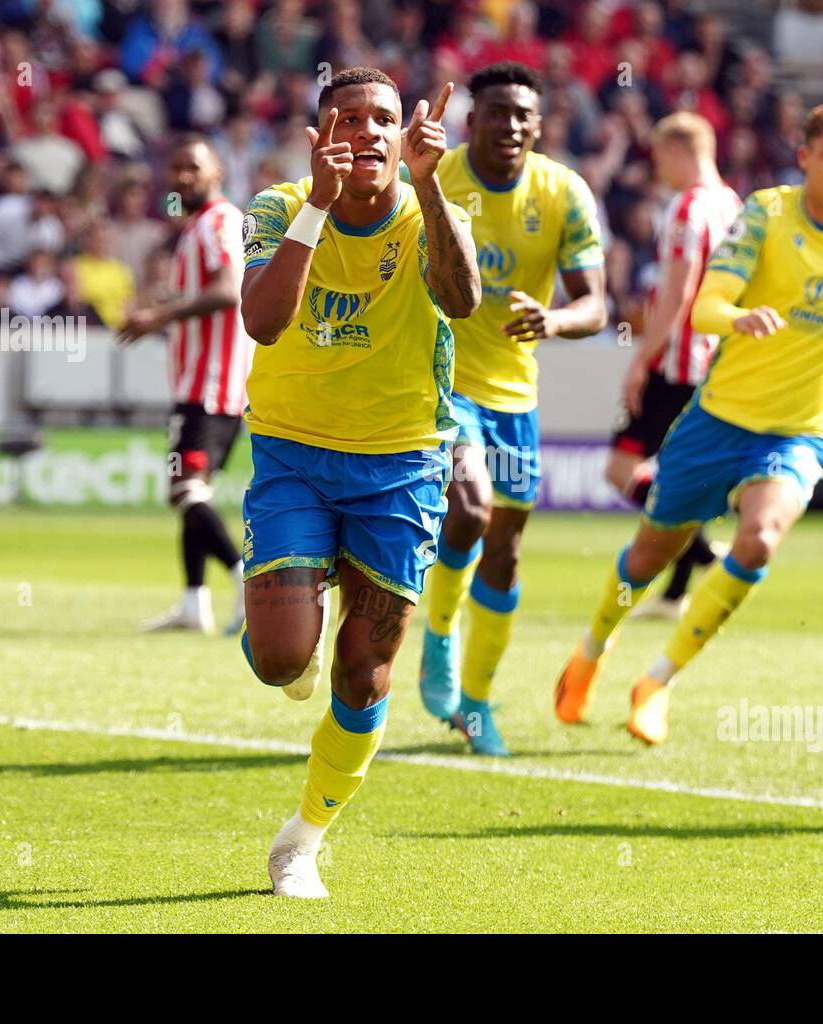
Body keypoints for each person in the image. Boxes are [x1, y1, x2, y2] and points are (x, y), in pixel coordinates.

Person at [554, 99, 823, 745]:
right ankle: (592, 648)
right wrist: (739, 318)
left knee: (759, 539)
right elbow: (706, 304)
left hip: (796, 430)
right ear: (806, 157)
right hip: (716, 419)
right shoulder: (765, 213)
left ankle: (657, 682)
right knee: (651, 553)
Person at [238, 67, 479, 897]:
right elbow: (264, 323)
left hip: (402, 463)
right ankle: (288, 626)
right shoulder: (275, 207)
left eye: (384, 118)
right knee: (278, 660)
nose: (369, 131)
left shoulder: (432, 208)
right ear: (320, 135)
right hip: (294, 454)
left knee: (364, 670)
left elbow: (463, 297)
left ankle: (301, 841)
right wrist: (316, 204)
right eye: (349, 118)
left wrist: (429, 183)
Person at [418, 62, 607, 756]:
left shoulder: (563, 192)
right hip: (442, 380)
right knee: (469, 508)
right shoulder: (439, 181)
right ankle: (438, 635)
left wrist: (556, 322)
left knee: (505, 553)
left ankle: (476, 704)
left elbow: (596, 303)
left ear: (539, 124)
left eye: (525, 115)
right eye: (498, 113)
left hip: (514, 393)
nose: (513, 126)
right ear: (474, 121)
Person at [117, 136, 253, 636]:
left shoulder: (220, 221)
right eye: (175, 168)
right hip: (201, 385)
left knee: (185, 491)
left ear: (217, 169)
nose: (182, 177)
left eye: (192, 166)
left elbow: (228, 289)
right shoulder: (194, 227)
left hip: (211, 386)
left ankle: (244, 580)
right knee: (191, 491)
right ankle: (194, 603)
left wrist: (159, 316)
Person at [609, 111, 741, 621]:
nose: (658, 170)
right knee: (676, 475)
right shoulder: (733, 205)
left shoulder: (687, 208)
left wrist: (642, 359)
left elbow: (679, 292)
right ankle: (676, 591)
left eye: (661, 158)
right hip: (715, 362)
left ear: (680, 151)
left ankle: (701, 553)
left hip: (676, 363)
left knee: (622, 469)